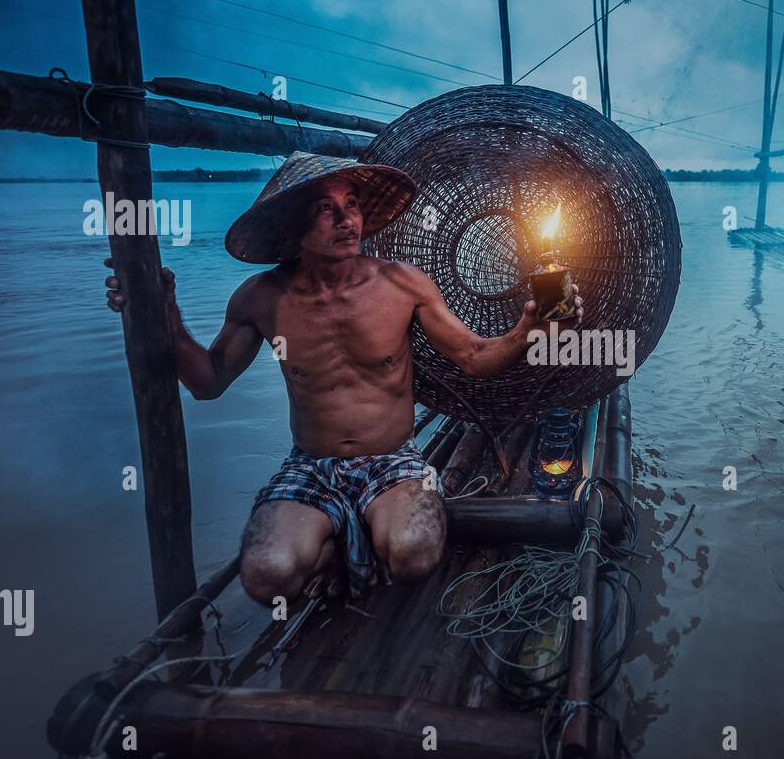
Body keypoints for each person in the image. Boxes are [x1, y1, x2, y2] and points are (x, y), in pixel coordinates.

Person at [104, 152, 581, 604]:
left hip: (394, 460)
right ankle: (331, 540)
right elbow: (208, 383)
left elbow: (475, 357)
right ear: (293, 227)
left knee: (415, 553)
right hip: (311, 466)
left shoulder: (401, 284)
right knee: (266, 578)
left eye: (351, 206)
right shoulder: (261, 298)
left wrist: (526, 331)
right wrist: (168, 315)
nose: (346, 220)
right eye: (325, 210)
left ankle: (360, 535)